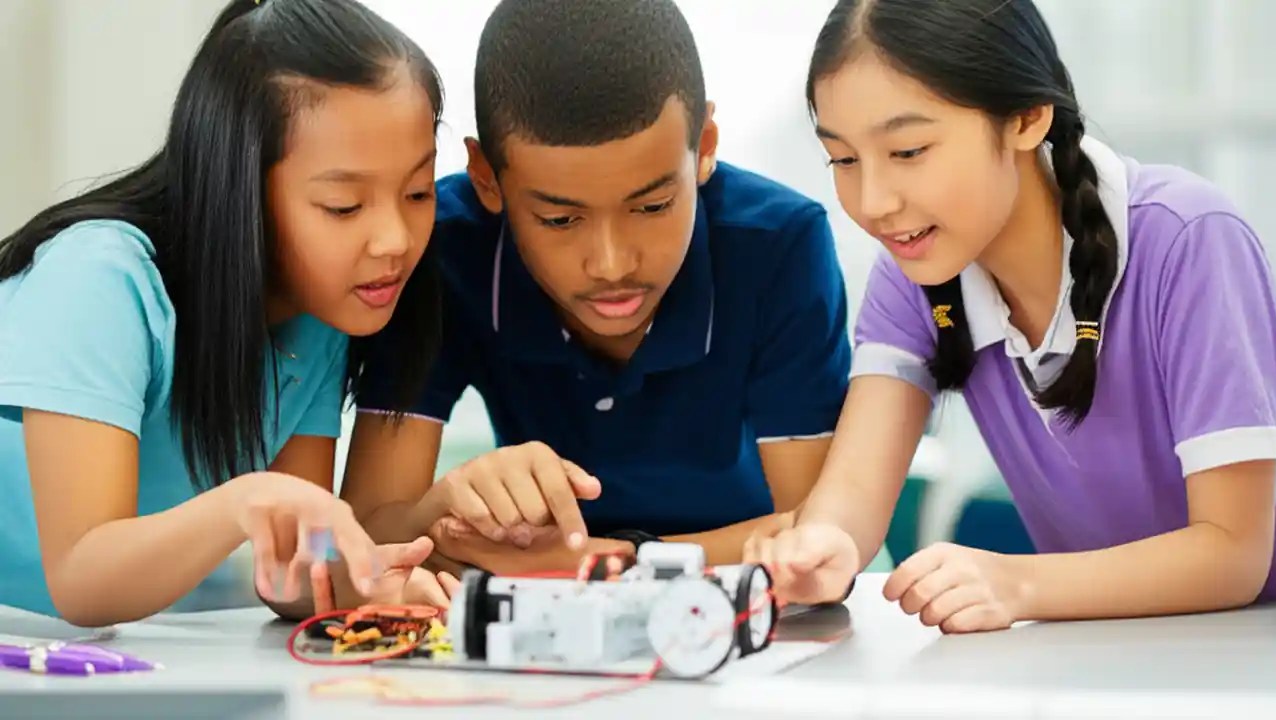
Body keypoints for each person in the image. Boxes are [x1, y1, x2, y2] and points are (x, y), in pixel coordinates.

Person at [747, 0, 1276, 632]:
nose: (874, 201)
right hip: (1107, 652)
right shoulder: (915, 275)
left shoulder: (1189, 239)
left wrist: (1017, 583)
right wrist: (821, 548)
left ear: (1027, 118)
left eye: (908, 151)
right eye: (843, 159)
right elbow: (853, 497)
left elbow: (1233, 554)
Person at [346, 0, 851, 572]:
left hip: (745, 592)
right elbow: (366, 530)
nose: (611, 265)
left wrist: (610, 565)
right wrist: (442, 510)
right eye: (560, 219)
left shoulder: (780, 245)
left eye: (653, 206)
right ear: (487, 177)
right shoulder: (443, 250)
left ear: (705, 147)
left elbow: (819, 532)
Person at [0, 0, 457, 626]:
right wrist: (248, 500)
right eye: (344, 206)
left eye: (418, 193)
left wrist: (372, 584)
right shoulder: (100, 280)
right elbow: (83, 580)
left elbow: (292, 568)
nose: (395, 240)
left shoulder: (320, 315)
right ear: (239, 185)